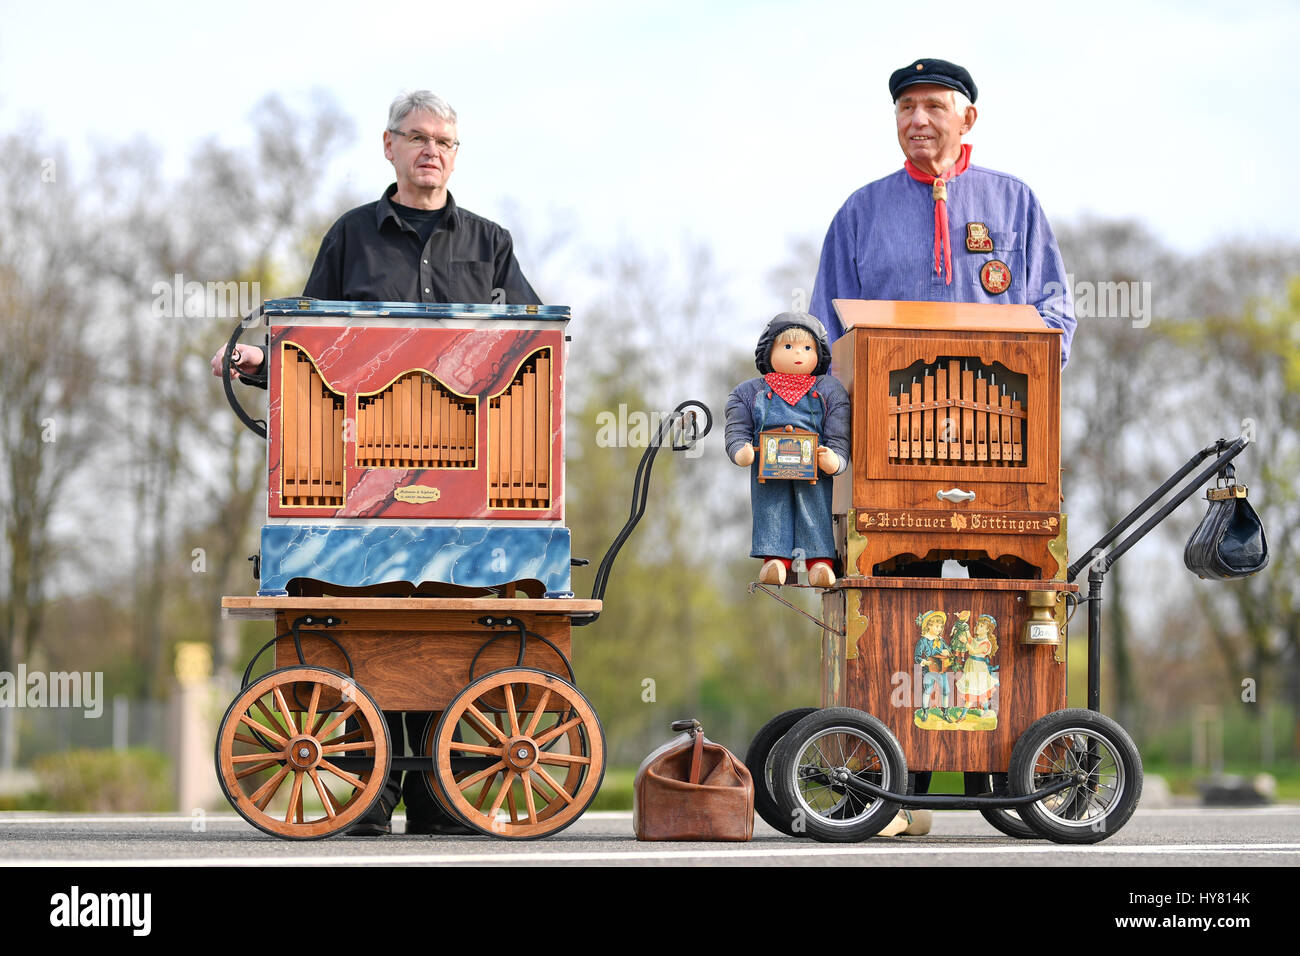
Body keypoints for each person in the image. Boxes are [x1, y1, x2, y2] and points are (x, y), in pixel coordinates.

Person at [210, 91, 542, 836]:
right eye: (418, 138)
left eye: (445, 141)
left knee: (455, 649)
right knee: (363, 644)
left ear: (457, 153)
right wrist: (260, 364)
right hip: (356, 490)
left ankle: (442, 798)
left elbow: (531, 349)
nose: (432, 151)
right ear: (388, 146)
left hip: (475, 494)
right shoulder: (352, 235)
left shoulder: (490, 242)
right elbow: (310, 349)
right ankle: (366, 794)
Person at [809, 58, 1075, 366]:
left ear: (967, 119)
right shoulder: (859, 212)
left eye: (934, 106)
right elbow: (824, 330)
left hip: (996, 404)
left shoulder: (1016, 200)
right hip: (884, 406)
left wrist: (1024, 377)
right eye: (907, 108)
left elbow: (1054, 312)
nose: (918, 120)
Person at [725, 312, 850, 587]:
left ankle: (820, 563)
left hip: (813, 468)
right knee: (772, 506)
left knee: (815, 507)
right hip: (769, 469)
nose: (798, 354)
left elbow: (839, 433)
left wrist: (836, 459)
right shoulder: (749, 392)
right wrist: (741, 450)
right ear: (769, 350)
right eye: (788, 347)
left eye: (807, 348)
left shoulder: (830, 390)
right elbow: (736, 429)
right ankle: (775, 561)